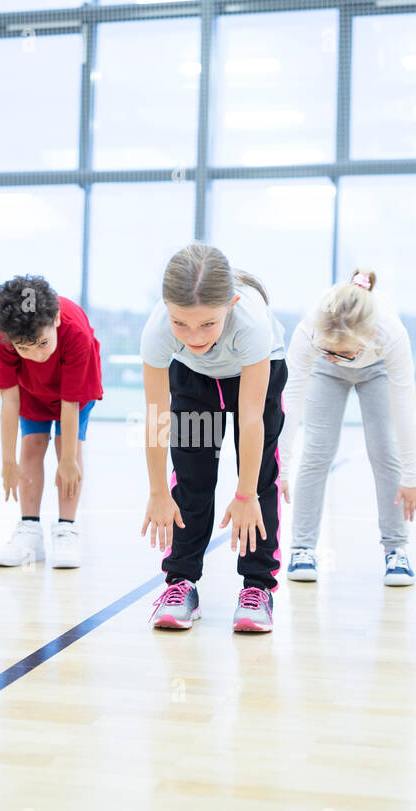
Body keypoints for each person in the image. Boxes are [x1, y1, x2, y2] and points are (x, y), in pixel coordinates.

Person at [139, 243, 287, 633]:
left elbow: (251, 417)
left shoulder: (252, 324)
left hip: (254, 374)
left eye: (207, 324)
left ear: (231, 304)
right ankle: (181, 583)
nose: (194, 335)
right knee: (192, 479)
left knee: (257, 484)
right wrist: (157, 491)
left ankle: (257, 588)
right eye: (180, 323)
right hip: (196, 382)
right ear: (166, 308)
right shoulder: (157, 331)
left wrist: (244, 495)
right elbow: (156, 417)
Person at [280, 269, 416, 587]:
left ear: (368, 335)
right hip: (324, 374)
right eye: (331, 349)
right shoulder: (310, 332)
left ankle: (396, 549)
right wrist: (281, 467)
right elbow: (291, 398)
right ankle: (302, 548)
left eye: (343, 352)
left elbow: (405, 407)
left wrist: (412, 478)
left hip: (377, 369)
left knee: (384, 451)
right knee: (318, 449)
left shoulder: (390, 332)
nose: (338, 357)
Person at [0, 276, 103, 570]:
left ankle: (67, 528)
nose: (37, 355)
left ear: (57, 319)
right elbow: (10, 402)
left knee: (69, 452)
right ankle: (29, 530)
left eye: (42, 343)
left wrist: (67, 461)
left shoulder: (76, 333)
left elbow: (70, 403)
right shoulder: (5, 335)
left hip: (72, 395)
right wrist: (8, 461)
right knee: (32, 447)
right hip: (31, 392)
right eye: (25, 348)